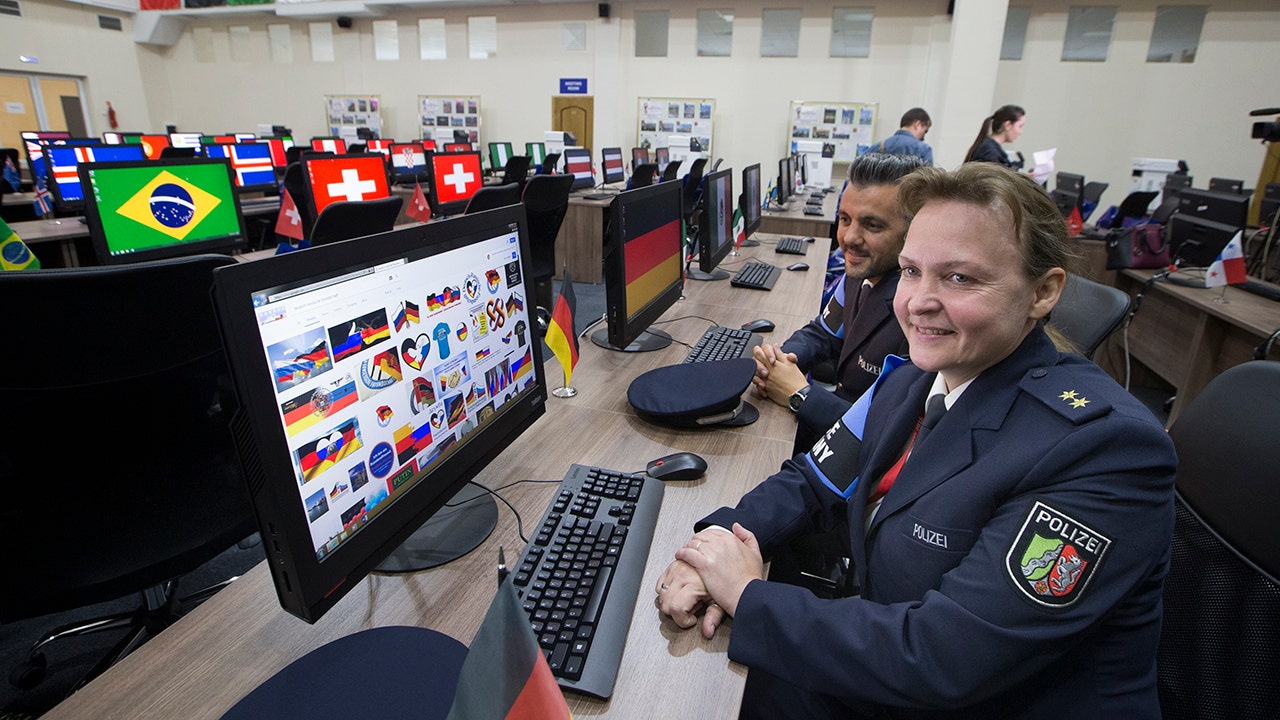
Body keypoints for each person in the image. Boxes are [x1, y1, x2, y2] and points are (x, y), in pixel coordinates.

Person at [655, 162, 1177, 719]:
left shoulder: (1105, 449)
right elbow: (811, 480)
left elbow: (946, 655)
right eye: (910, 272)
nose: (918, 301)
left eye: (960, 278)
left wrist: (748, 597)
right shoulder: (913, 379)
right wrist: (708, 551)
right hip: (895, 670)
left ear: (1043, 292)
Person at [752, 153, 921, 455]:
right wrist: (779, 363)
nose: (849, 238)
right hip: (831, 423)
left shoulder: (920, 314)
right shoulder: (862, 269)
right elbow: (822, 333)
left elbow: (887, 434)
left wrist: (799, 393)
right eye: (845, 219)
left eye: (872, 225)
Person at [964, 104, 1026, 168]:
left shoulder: (990, 147)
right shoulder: (990, 152)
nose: (1020, 132)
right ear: (1008, 125)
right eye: (1020, 126)